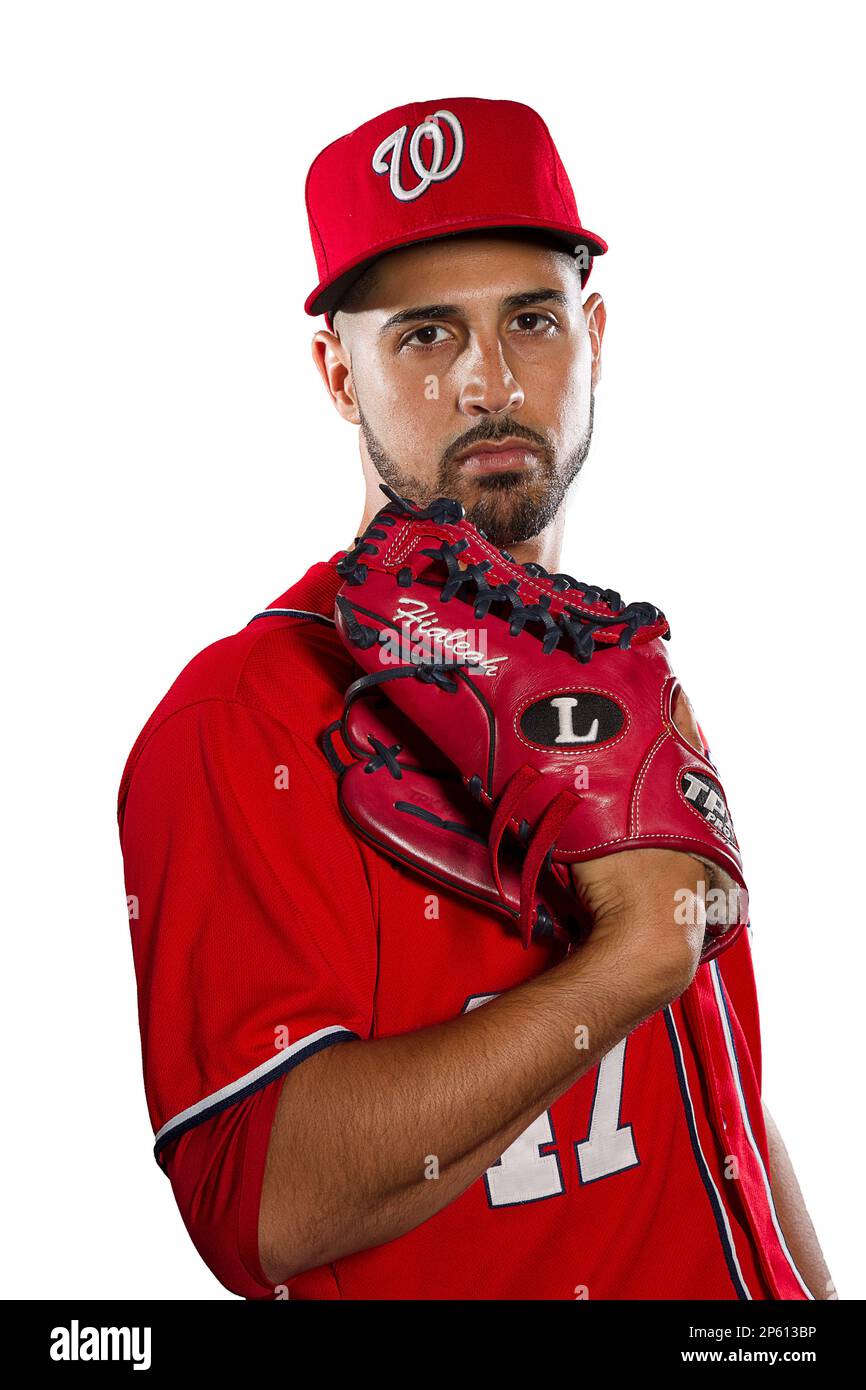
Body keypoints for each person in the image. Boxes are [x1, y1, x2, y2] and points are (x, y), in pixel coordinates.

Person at [118, 97, 831, 1300]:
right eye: (425, 336)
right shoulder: (243, 716)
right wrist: (628, 957)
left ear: (594, 336)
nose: (488, 381)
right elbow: (260, 1202)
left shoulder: (622, 672)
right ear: (337, 372)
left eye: (531, 320)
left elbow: (725, 1109)